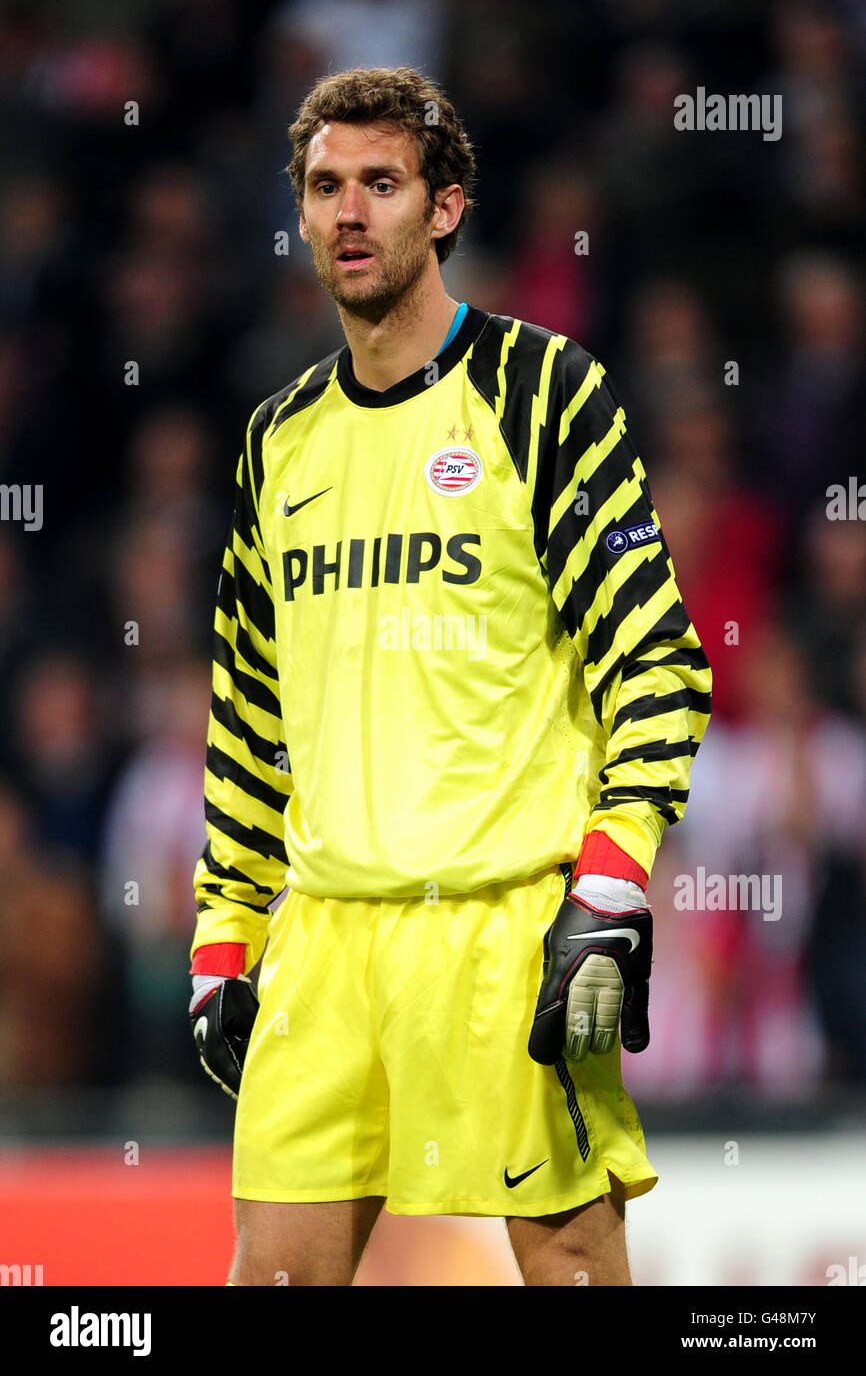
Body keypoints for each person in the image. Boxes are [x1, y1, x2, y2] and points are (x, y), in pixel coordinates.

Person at [187, 66, 712, 1287]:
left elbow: (654, 657)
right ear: (301, 214)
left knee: (573, 1262)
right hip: (320, 948)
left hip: (505, 930)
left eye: (381, 182)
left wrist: (612, 883)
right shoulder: (277, 441)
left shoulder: (544, 393)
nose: (350, 211)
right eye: (325, 187)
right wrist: (224, 934)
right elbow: (249, 715)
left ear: (444, 208)